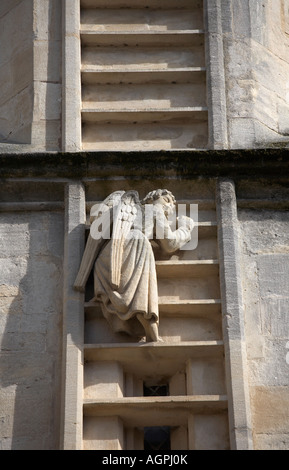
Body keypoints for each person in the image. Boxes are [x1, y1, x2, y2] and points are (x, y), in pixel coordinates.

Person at [74, 189, 194, 342]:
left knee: (136, 289)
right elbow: (170, 244)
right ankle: (151, 330)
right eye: (168, 201)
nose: (170, 208)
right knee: (142, 288)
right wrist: (185, 228)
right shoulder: (154, 210)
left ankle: (142, 327)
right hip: (134, 246)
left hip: (107, 258)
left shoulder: (131, 209)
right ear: (155, 199)